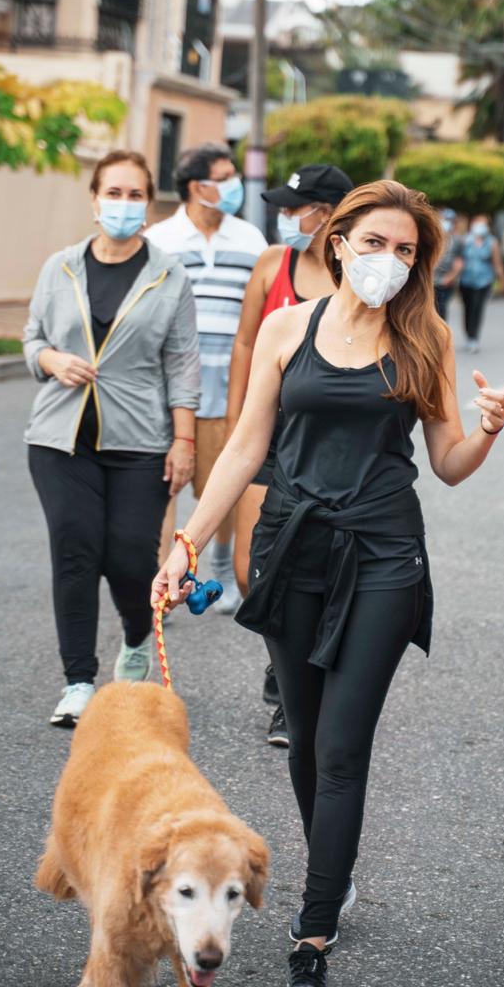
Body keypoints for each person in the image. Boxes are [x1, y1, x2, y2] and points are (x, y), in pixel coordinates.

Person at [152, 179, 504, 987]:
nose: (390, 260)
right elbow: (246, 449)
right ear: (339, 241)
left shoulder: (426, 338)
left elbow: (449, 466)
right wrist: (186, 544)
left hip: (385, 553)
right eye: (377, 242)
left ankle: (315, 923)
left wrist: (487, 430)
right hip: (293, 550)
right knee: (307, 742)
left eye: (407, 250)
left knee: (343, 747)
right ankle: (334, 865)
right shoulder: (289, 326)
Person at [23, 151, 200, 727]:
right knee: (75, 549)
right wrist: (51, 359)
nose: (124, 204)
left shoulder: (168, 274)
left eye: (135, 194)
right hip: (59, 436)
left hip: (141, 439)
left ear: (149, 203)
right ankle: (78, 681)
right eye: (114, 192)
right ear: (94, 197)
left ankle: (136, 634)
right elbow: (32, 339)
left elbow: (182, 363)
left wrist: (184, 442)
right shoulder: (62, 266)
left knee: (128, 557)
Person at [226, 163, 354, 747]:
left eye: (293, 207)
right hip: (266, 437)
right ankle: (284, 663)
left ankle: (294, 693)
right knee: (252, 567)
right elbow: (247, 342)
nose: (284, 217)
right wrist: (235, 424)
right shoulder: (271, 265)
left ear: (325, 214)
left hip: (325, 447)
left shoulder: (356, 277)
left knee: (317, 572)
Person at [146, 142, 267, 611]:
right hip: (172, 393)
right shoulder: (161, 240)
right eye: (226, 176)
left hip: (231, 390)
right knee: (164, 493)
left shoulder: (251, 240)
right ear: (199, 187)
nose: (234, 184)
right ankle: (161, 587)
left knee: (226, 486)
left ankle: (221, 574)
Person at [459, 213, 504, 350]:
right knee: (467, 309)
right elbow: (459, 260)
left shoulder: (492, 242)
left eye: (483, 223)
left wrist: (503, 280)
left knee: (477, 308)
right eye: (478, 222)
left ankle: (474, 338)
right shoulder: (466, 240)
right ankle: (468, 334)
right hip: (466, 280)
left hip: (483, 281)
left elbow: (497, 263)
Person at [433, 208, 465, 320]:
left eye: (449, 220)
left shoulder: (457, 240)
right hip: (430, 281)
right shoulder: (432, 238)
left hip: (444, 282)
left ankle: (440, 336)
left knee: (441, 310)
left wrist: (449, 278)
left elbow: (459, 262)